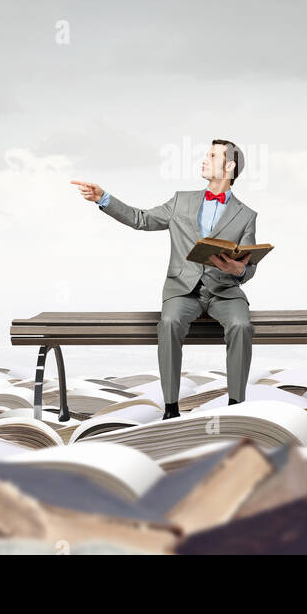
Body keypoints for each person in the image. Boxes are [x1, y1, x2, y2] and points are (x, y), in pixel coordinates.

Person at [71, 139, 258, 419]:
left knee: (241, 325)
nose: (204, 159)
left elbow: (249, 264)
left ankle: (236, 406)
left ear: (229, 166)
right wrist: (103, 198)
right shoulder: (181, 201)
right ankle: (171, 408)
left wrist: (239, 271)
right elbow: (141, 219)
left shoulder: (246, 215)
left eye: (212, 155)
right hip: (183, 290)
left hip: (225, 291)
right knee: (168, 323)